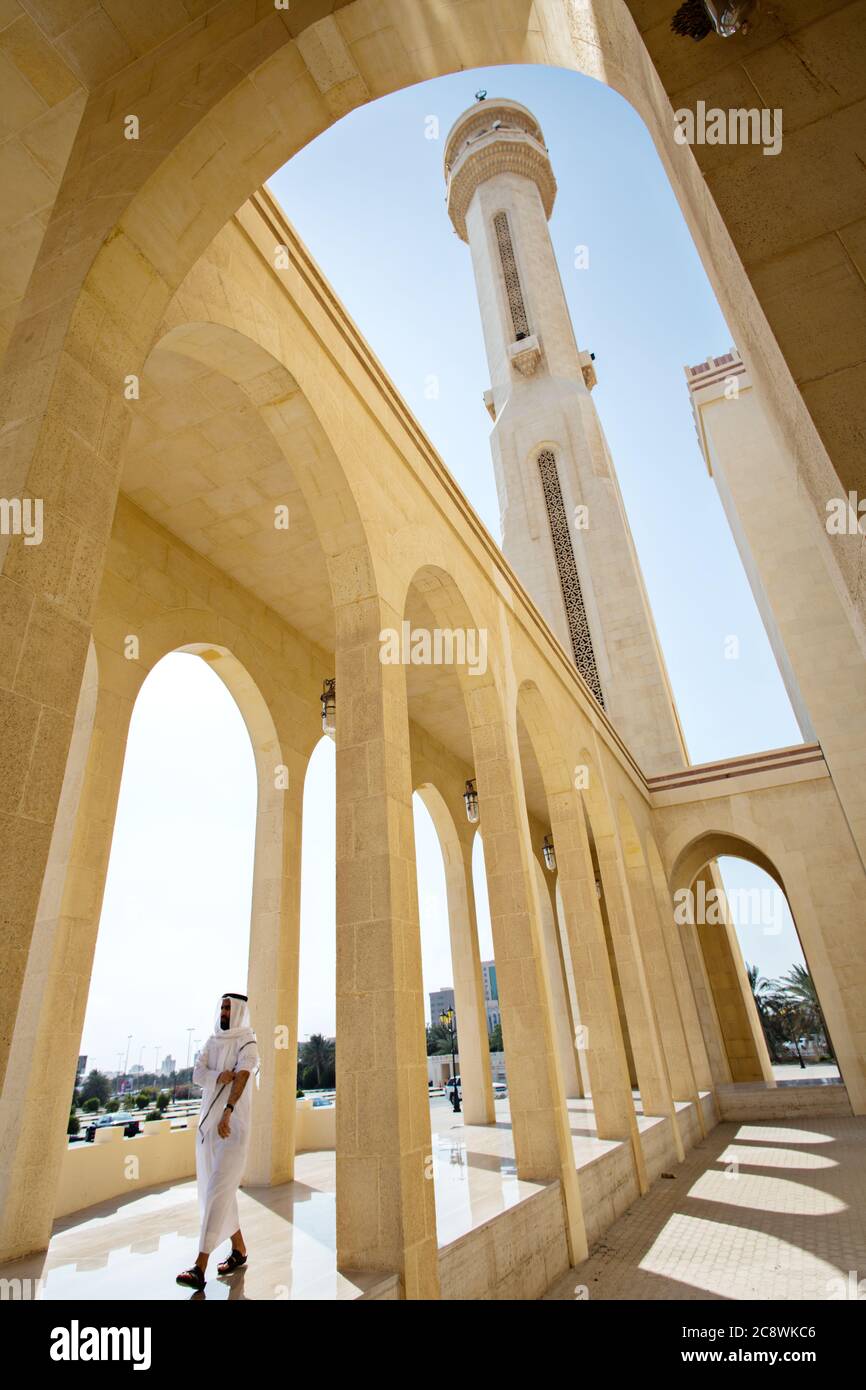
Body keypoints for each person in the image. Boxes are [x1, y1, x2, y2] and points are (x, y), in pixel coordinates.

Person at [176, 992, 260, 1292]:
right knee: (218, 1191)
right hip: (208, 1129)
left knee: (217, 1189)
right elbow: (198, 1074)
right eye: (222, 1007)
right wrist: (217, 1076)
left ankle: (200, 1265)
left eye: (229, 1008)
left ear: (238, 1012)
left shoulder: (248, 1042)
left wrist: (228, 1110)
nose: (224, 1012)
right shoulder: (212, 1042)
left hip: (233, 1127)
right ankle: (239, 1249)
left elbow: (243, 1077)